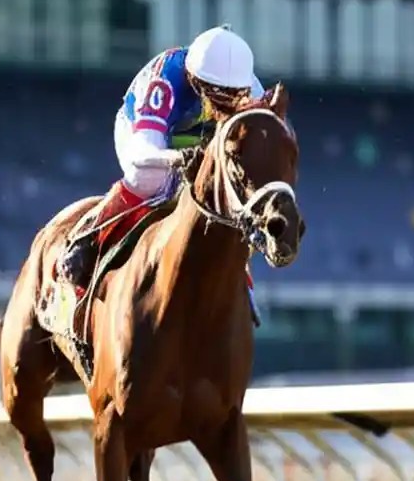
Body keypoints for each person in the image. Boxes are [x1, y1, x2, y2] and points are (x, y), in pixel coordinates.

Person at [57, 25, 265, 294]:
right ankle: (89, 237)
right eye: (217, 96)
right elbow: (144, 152)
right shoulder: (165, 84)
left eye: (234, 97)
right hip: (146, 130)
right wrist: (177, 159)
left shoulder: (250, 88)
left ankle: (238, 266)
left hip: (202, 139)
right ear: (194, 79)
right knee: (151, 180)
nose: (226, 107)